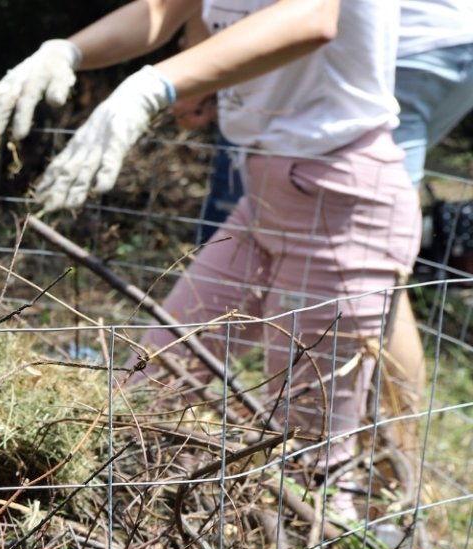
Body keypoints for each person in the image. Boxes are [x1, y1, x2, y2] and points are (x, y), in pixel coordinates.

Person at [0, 0, 421, 487]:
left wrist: (152, 85)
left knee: (309, 456)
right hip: (262, 200)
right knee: (146, 395)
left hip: (342, 206)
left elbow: (312, 17)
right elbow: (161, 9)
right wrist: (66, 51)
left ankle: (374, 517)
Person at [178, 0, 473, 417]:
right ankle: (384, 439)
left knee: (375, 260)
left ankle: (390, 443)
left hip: (410, 48)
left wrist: (162, 82)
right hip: (454, 36)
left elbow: (312, 17)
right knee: (378, 267)